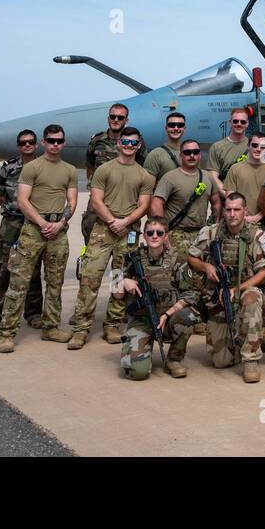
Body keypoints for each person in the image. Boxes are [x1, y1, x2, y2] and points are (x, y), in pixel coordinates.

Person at [69, 126, 154, 349]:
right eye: (125, 142)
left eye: (133, 143)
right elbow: (96, 200)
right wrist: (112, 222)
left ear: (139, 146)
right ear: (118, 143)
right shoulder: (104, 170)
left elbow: (144, 205)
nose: (128, 146)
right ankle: (81, 328)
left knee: (120, 278)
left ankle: (112, 324)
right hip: (103, 229)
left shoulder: (144, 175)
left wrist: (124, 223)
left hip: (129, 232)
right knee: (90, 277)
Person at [0, 124, 79, 352]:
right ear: (44, 142)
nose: (55, 144)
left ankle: (51, 327)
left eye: (59, 141)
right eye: (51, 140)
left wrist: (60, 223)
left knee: (55, 282)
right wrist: (43, 224)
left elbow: (72, 201)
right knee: (19, 282)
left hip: (58, 231)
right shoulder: (32, 167)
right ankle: (6, 333)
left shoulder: (69, 170)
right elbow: (23, 200)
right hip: (34, 229)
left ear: (64, 142)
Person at [188, 193, 265, 382]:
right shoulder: (210, 233)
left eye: (237, 209)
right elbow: (192, 257)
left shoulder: (257, 236)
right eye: (228, 210)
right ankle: (249, 339)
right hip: (218, 296)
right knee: (221, 361)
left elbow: (263, 272)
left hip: (245, 292)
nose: (232, 214)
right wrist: (206, 267)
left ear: (245, 211)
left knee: (252, 298)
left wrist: (239, 289)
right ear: (223, 211)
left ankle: (251, 359)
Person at [110, 216, 199, 379]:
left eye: (159, 232)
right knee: (138, 373)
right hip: (141, 320)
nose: (154, 236)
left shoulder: (178, 260)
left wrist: (167, 314)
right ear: (144, 235)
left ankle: (173, 359)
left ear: (166, 236)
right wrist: (122, 281)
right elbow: (117, 295)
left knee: (188, 316)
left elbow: (189, 296)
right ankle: (142, 352)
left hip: (167, 320)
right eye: (150, 233)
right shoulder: (132, 258)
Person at [0, 129, 43, 332]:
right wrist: (13, 209)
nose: (27, 145)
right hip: (11, 224)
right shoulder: (9, 167)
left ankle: (33, 314)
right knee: (3, 269)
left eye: (31, 142)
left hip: (33, 224)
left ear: (36, 145)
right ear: (18, 146)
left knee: (33, 269)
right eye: (23, 143)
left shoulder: (43, 167)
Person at [83, 104, 143, 244]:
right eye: (113, 116)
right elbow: (90, 167)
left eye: (120, 117)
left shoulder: (134, 142)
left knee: (129, 240)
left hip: (126, 199)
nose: (116, 119)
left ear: (126, 120)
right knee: (91, 232)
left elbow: (140, 166)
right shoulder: (96, 141)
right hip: (99, 197)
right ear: (108, 118)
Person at [150, 138, 222, 255]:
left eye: (195, 152)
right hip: (176, 234)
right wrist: (162, 232)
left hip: (201, 234)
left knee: (199, 270)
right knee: (176, 270)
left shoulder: (208, 177)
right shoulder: (170, 178)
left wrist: (213, 225)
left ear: (200, 155)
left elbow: (216, 202)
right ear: (181, 156)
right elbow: (156, 205)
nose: (192, 155)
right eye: (187, 153)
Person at [222, 132, 265, 225]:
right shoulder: (235, 169)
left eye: (263, 146)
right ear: (248, 146)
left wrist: (258, 216)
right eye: (255, 145)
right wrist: (243, 217)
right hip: (240, 223)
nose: (258, 149)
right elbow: (231, 198)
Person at [207, 107, 250, 178]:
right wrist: (221, 188)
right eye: (235, 121)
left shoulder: (254, 146)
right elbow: (213, 174)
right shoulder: (217, 147)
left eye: (243, 122)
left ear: (247, 124)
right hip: (225, 188)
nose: (239, 124)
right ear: (230, 123)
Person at [143, 111, 188, 181]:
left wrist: (197, 191)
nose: (176, 128)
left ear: (184, 128)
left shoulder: (192, 153)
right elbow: (147, 189)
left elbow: (199, 180)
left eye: (180, 125)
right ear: (166, 128)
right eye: (172, 125)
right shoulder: (155, 155)